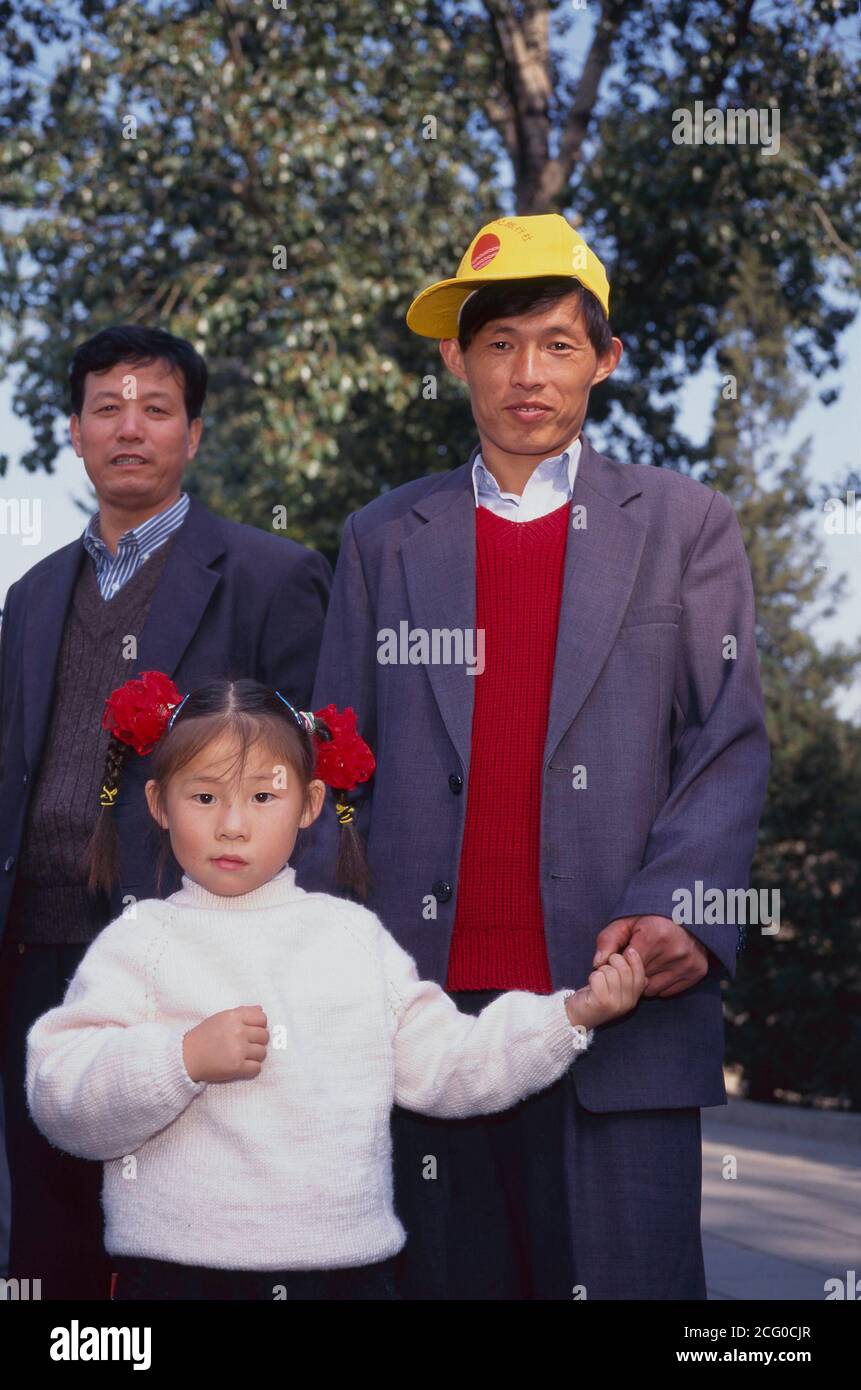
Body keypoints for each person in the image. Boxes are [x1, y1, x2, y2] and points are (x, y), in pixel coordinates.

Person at [294, 213, 771, 1299]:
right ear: (455, 356)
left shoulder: (687, 526)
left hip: (618, 1004)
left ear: (605, 359)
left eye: (559, 343)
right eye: (499, 343)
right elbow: (335, 762)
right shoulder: (383, 535)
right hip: (424, 1017)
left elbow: (728, 736)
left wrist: (688, 909)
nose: (528, 373)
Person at [24, 671, 644, 1301]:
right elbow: (59, 1096)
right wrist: (179, 1058)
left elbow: (451, 1063)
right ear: (158, 804)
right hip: (176, 1277)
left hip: (344, 1278)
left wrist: (573, 1014)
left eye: (264, 797)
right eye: (204, 798)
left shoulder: (352, 939)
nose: (233, 825)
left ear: (310, 804)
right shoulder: (141, 941)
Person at [0, 324, 331, 1298]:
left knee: (180, 1234)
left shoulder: (272, 576)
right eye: (107, 407)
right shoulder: (27, 599)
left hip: (189, 964)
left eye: (155, 408)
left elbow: (322, 779)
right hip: (40, 960)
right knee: (49, 1224)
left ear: (193, 432)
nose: (129, 428)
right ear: (74, 431)